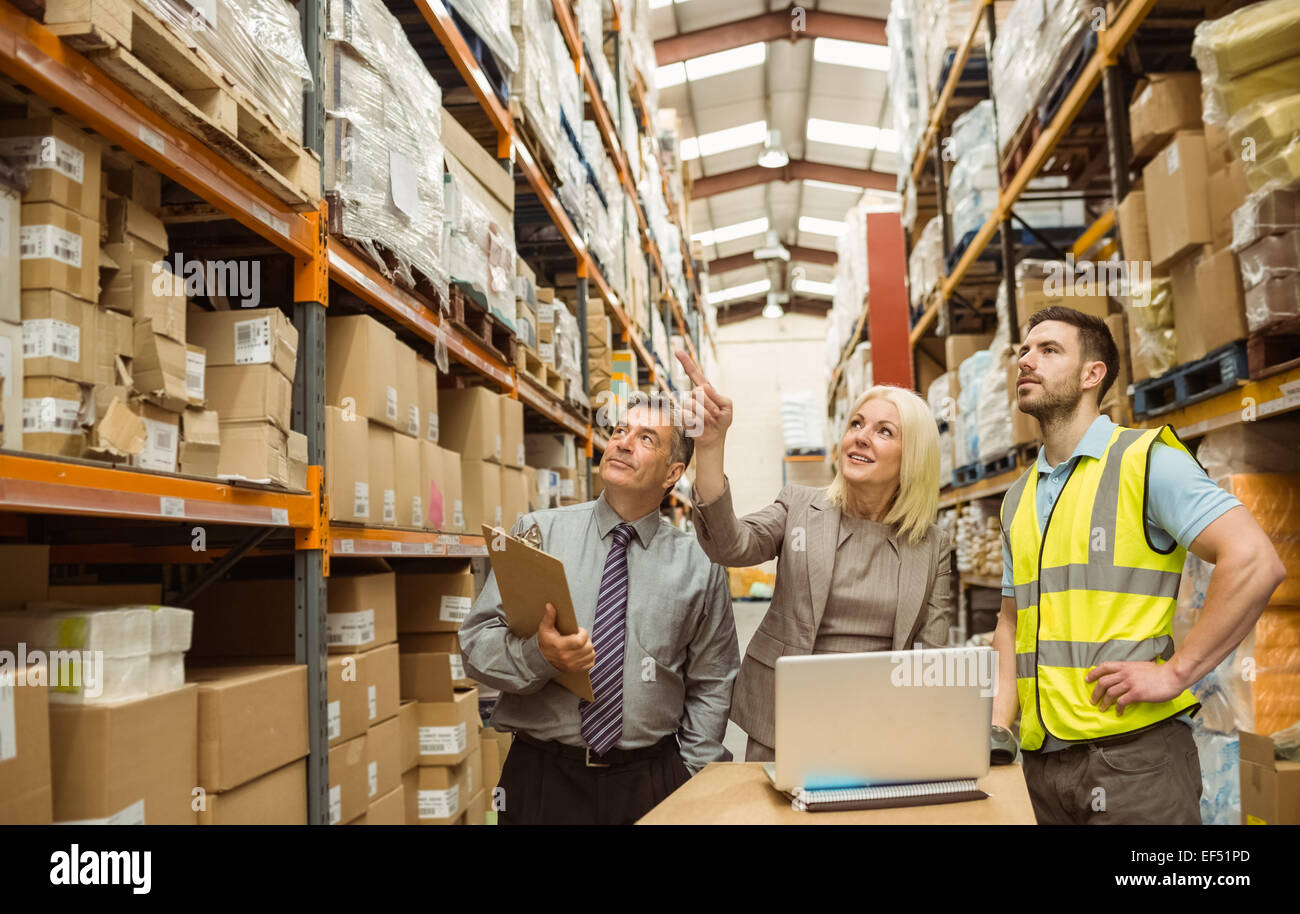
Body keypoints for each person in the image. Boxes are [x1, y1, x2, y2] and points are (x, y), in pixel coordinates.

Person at [995, 305, 1286, 825]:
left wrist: (1177, 673)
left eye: (1048, 350)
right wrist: (999, 732)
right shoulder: (1018, 498)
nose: (1027, 361)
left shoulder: (1145, 459)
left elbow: (1254, 560)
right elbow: (1011, 619)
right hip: (1041, 766)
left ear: (1092, 375)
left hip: (1133, 764)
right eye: (1024, 351)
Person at [459, 391, 739, 825]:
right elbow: (475, 647)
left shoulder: (700, 564)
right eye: (620, 430)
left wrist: (691, 772)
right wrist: (540, 655)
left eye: (647, 438)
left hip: (651, 781)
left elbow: (714, 680)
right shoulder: (537, 534)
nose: (624, 442)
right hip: (542, 779)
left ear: (673, 473)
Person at [676, 351, 953, 762]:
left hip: (881, 725)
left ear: (912, 457)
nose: (860, 435)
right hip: (787, 719)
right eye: (856, 424)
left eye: (883, 431)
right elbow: (729, 545)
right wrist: (711, 447)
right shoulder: (799, 506)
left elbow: (932, 656)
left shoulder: (932, 546)